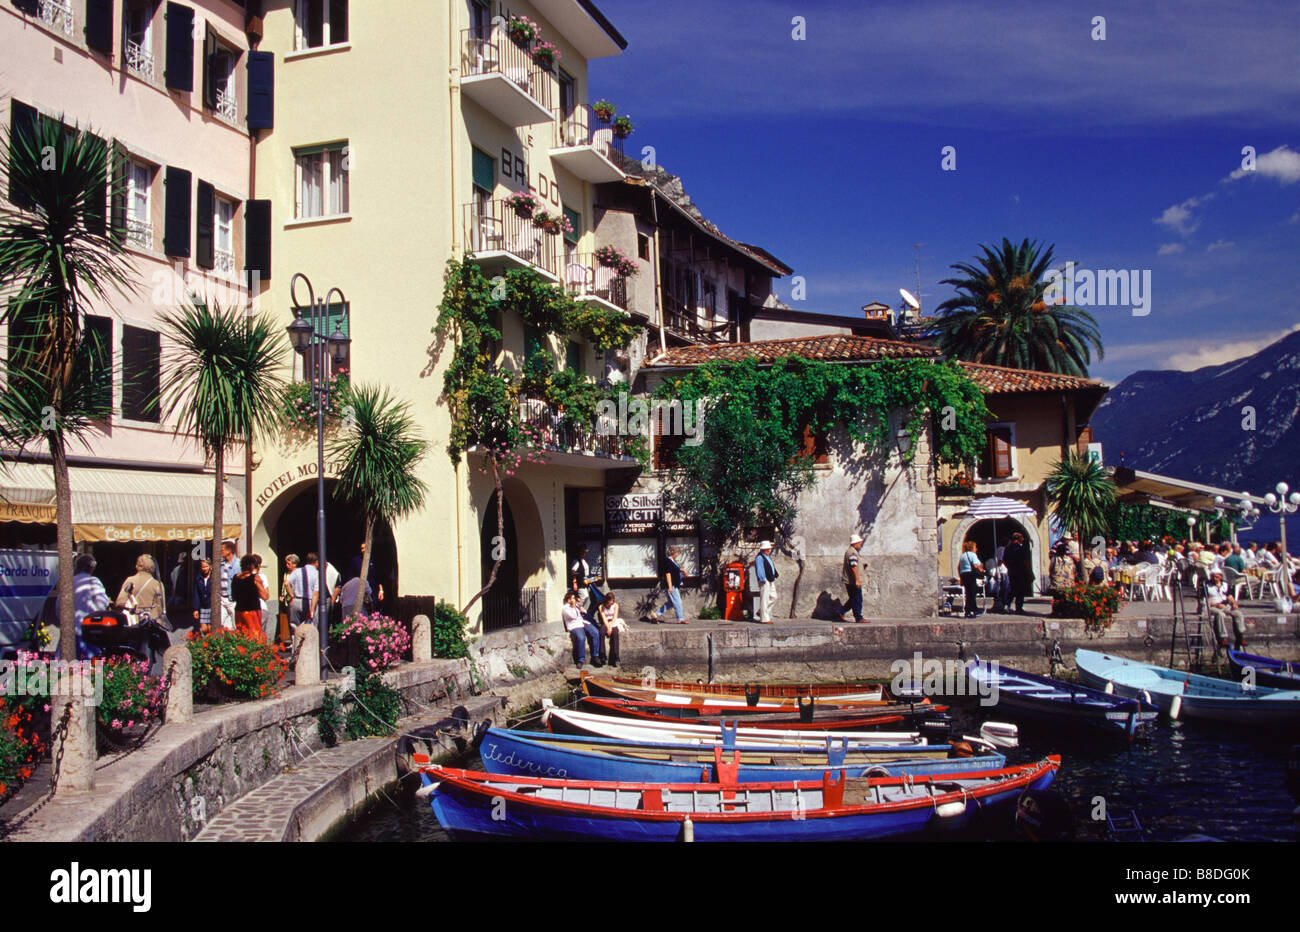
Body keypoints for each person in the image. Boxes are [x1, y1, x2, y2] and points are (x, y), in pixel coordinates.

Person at [57, 553, 110, 658]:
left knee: (64, 668)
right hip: (87, 632)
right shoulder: (94, 582)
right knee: (89, 668)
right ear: (92, 568)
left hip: (68, 632)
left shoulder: (68, 583)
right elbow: (102, 604)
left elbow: (58, 606)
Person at [1206, 570, 1246, 653]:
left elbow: (1230, 597)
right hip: (1213, 606)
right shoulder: (1207, 586)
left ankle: (1240, 636)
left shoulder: (1225, 585)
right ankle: (1223, 637)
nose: (1214, 578)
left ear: (1220, 577)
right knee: (1220, 615)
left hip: (1224, 605)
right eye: (1213, 577)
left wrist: (1234, 603)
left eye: (1216, 577)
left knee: (1238, 614)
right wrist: (1216, 605)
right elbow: (1203, 600)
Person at [231, 555, 269, 640]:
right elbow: (265, 596)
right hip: (252, 611)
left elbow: (234, 596)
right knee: (254, 637)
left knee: (241, 636)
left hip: (239, 611)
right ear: (252, 566)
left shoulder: (235, 578)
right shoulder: (255, 578)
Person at [561, 589, 600, 666]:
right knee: (581, 637)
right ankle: (580, 659)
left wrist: (580, 607)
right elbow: (574, 616)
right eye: (571, 598)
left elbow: (584, 612)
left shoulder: (576, 605)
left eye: (573, 598)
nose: (573, 600)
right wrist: (574, 607)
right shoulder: (565, 608)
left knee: (595, 632)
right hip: (574, 625)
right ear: (567, 599)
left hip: (582, 622)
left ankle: (595, 656)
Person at [283, 553, 317, 632]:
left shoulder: (297, 571)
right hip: (309, 601)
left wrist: (291, 596)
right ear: (316, 562)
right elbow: (316, 593)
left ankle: (296, 642)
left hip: (296, 600)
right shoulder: (317, 574)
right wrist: (312, 609)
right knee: (309, 626)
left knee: (295, 626)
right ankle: (306, 642)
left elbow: (286, 583)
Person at [654, 547, 686, 624]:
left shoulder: (672, 561)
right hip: (672, 585)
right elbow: (668, 574)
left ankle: (655, 614)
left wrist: (682, 570)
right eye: (677, 553)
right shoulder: (668, 561)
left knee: (671, 603)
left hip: (674, 585)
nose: (678, 554)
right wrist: (670, 586)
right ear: (674, 553)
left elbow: (674, 570)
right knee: (678, 602)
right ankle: (680, 618)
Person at [1003, 532, 1034, 614]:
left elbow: (1004, 560)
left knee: (1013, 589)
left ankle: (1007, 605)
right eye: (1021, 537)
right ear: (1017, 539)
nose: (1023, 539)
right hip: (1020, 571)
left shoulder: (1007, 548)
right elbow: (1025, 561)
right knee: (1020, 590)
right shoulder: (1021, 548)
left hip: (1012, 571)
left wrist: (1010, 567)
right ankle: (1019, 608)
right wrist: (1029, 571)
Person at [840, 533, 867, 623]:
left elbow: (854, 565)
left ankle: (840, 612)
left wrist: (861, 566)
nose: (860, 544)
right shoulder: (852, 553)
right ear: (855, 543)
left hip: (850, 580)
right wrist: (857, 580)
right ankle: (858, 617)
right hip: (852, 581)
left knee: (853, 599)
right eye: (859, 543)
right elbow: (853, 566)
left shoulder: (850, 551)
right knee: (857, 599)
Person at [569, 545, 605, 611]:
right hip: (580, 582)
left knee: (587, 597)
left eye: (585, 552)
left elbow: (586, 574)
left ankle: (579, 610)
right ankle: (576, 610)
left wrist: (595, 578)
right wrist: (574, 582)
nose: (584, 553)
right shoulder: (576, 561)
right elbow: (573, 571)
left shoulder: (583, 560)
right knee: (584, 597)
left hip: (585, 581)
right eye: (582, 552)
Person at [596, 592, 625, 667]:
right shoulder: (601, 607)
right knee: (601, 632)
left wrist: (610, 627)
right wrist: (608, 627)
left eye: (613, 600)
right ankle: (602, 655)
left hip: (613, 622)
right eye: (611, 601)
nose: (612, 602)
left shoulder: (615, 606)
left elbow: (615, 617)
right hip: (605, 622)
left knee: (615, 633)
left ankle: (615, 656)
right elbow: (604, 618)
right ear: (607, 600)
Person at [956, 540, 985, 617]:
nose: (976, 549)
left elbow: (958, 567)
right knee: (972, 592)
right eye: (975, 547)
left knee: (968, 593)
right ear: (972, 548)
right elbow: (976, 565)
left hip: (963, 574)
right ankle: (973, 610)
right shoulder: (973, 555)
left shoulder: (962, 556)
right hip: (970, 574)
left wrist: (960, 577)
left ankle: (969, 610)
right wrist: (981, 569)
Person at [754, 541, 777, 624]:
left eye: (769, 548)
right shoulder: (759, 558)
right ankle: (764, 619)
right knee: (764, 599)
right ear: (763, 549)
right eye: (767, 549)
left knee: (774, 597)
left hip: (770, 579)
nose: (769, 550)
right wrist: (762, 579)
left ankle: (761, 612)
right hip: (764, 580)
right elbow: (760, 569)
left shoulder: (767, 557)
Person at [219, 539, 239, 630]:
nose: (220, 552)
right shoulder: (221, 565)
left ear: (229, 551)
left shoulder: (238, 565)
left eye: (222, 550)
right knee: (221, 624)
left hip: (233, 600)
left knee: (236, 625)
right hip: (222, 599)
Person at [192, 558, 213, 633]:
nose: (204, 569)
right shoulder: (199, 578)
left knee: (210, 628)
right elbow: (196, 594)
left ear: (210, 566)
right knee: (204, 629)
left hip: (211, 605)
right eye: (203, 567)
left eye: (206, 566)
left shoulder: (213, 578)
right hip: (203, 606)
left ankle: (209, 643)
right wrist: (195, 609)